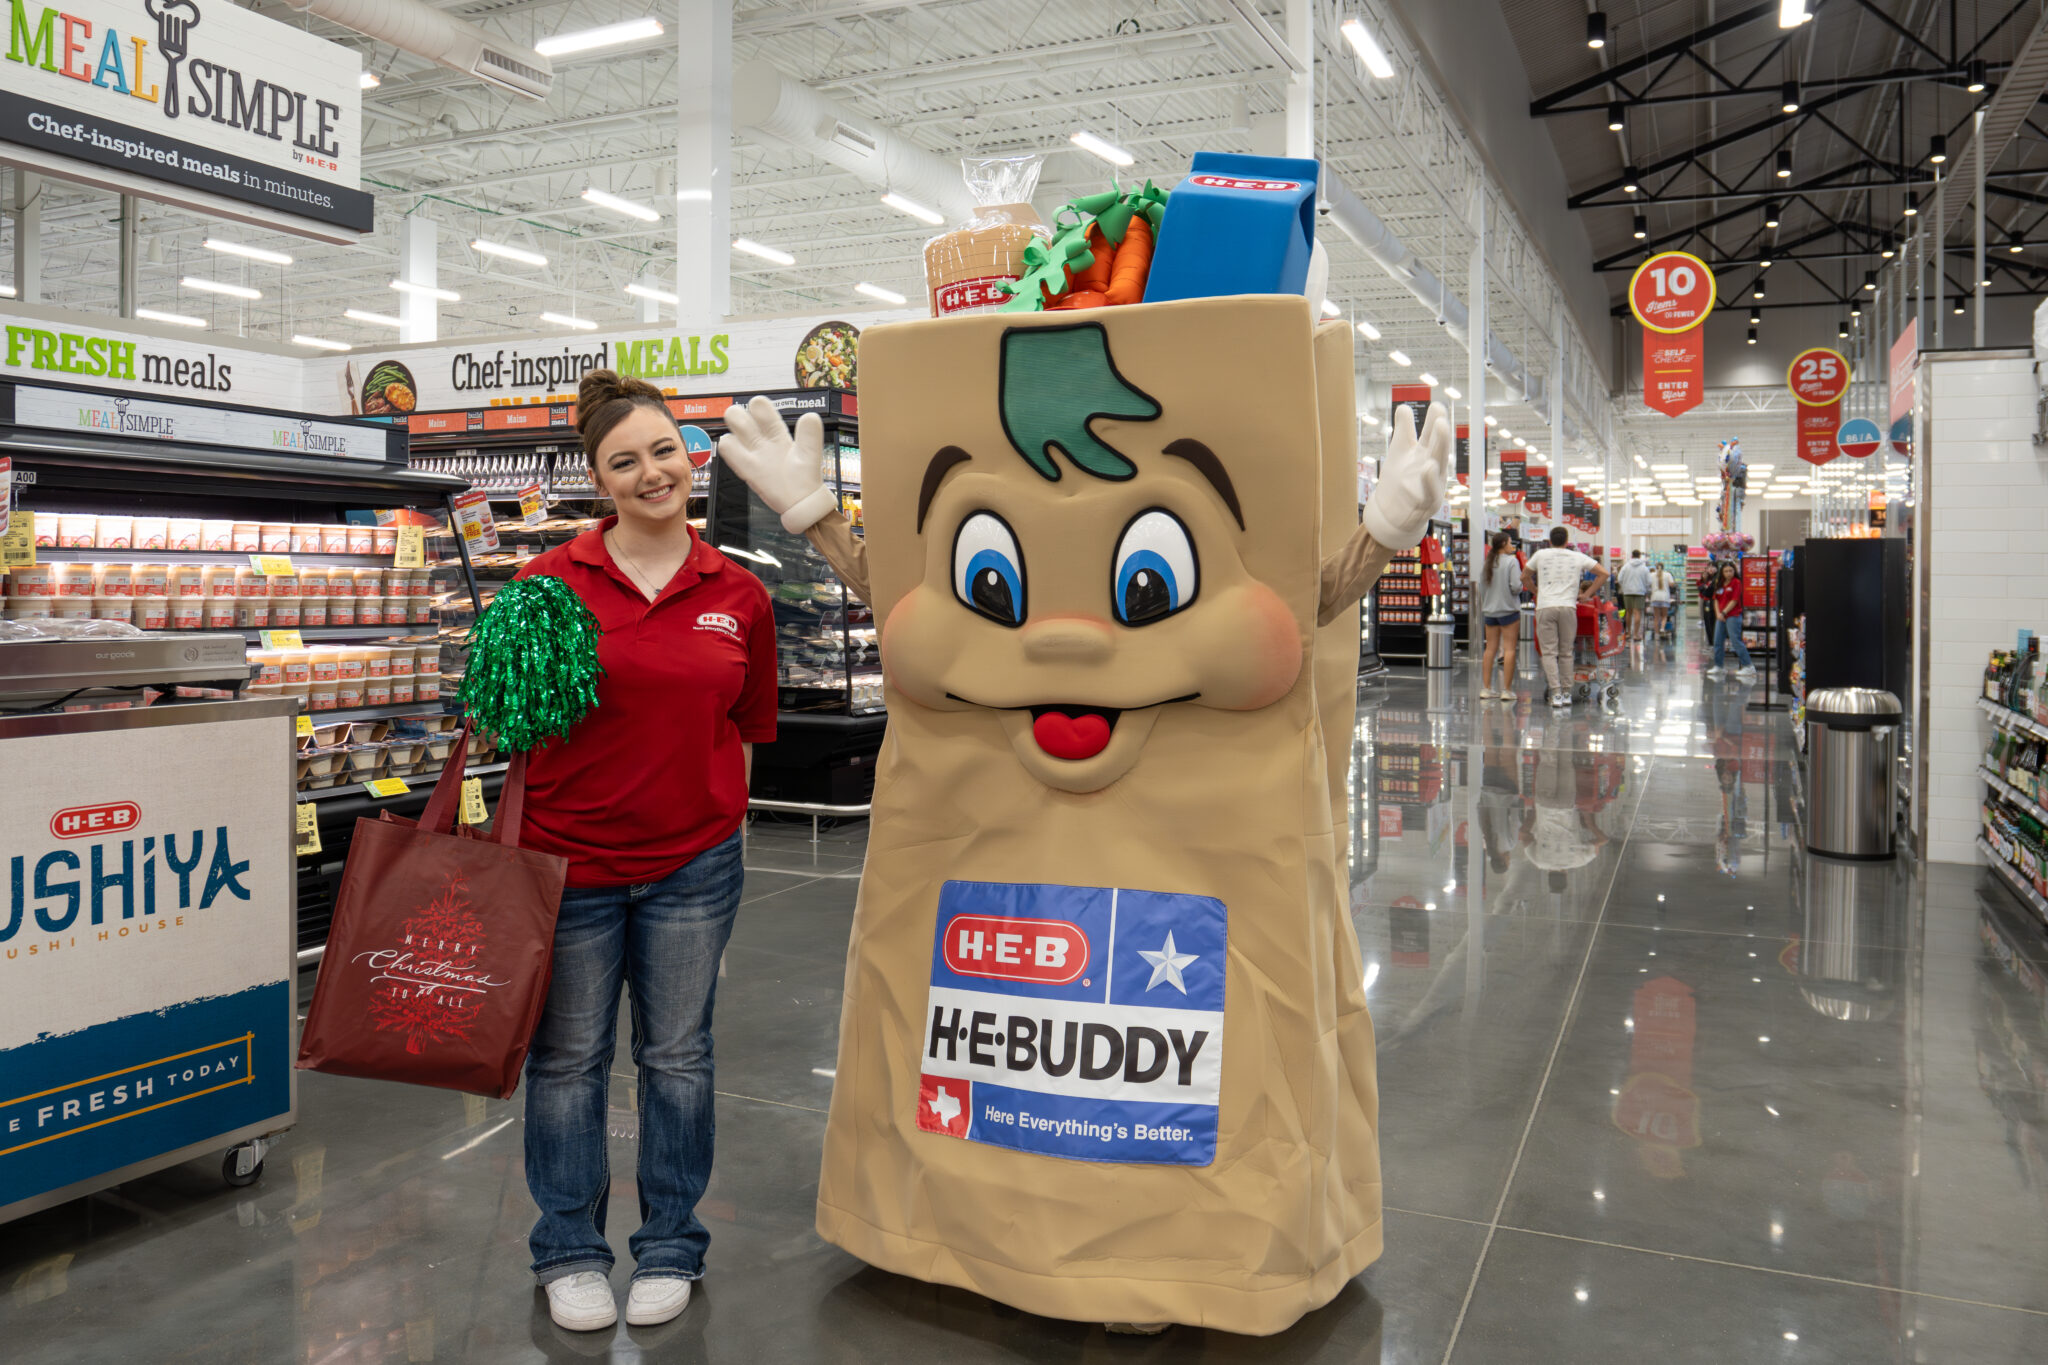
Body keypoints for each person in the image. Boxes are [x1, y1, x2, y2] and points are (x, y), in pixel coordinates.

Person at [513, 370, 779, 1332]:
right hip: (566, 863)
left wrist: (725, 824)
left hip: (693, 868)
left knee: (677, 1058)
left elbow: (746, 727)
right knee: (567, 1061)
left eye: (664, 450)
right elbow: (506, 722)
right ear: (599, 480)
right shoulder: (546, 584)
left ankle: (671, 1243)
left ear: (690, 457)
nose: (651, 472)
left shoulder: (739, 592)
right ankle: (569, 1249)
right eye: (624, 461)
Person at [1523, 526, 1607, 707]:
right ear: (1567, 541)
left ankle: (1556, 694)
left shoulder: (1540, 555)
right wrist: (1587, 594)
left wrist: (1536, 591)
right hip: (1568, 607)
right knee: (1566, 652)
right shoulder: (1577, 556)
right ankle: (1567, 693)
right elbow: (1603, 573)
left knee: (1549, 653)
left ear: (1550, 540)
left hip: (1545, 607)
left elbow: (1524, 576)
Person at [1477, 530, 1524, 701]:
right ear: (1503, 544)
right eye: (1510, 542)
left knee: (1490, 648)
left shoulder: (1487, 563)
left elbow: (1481, 588)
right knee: (1509, 649)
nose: (1512, 546)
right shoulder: (1512, 561)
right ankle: (1506, 690)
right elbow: (1516, 586)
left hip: (1490, 611)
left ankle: (1486, 688)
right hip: (1508, 610)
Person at [1708, 561, 1758, 679]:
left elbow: (1734, 600)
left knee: (1735, 641)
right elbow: (1716, 599)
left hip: (1733, 615)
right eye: (1726, 571)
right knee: (1717, 641)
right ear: (1722, 572)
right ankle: (1719, 666)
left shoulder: (1736, 582)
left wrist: (1723, 612)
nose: (1728, 573)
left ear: (1734, 571)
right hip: (1721, 616)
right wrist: (1718, 614)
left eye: (1731, 571)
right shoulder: (1719, 583)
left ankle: (1748, 666)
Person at [1616, 549, 1652, 640]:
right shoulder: (1644, 568)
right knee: (1637, 612)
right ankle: (1636, 634)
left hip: (1627, 592)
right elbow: (1649, 581)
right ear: (1639, 556)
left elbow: (1619, 579)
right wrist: (1645, 589)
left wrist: (1624, 587)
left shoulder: (1626, 566)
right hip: (1640, 592)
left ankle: (1628, 633)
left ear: (1632, 556)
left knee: (1628, 612)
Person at [1648, 561, 1674, 637]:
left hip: (1655, 597)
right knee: (1664, 616)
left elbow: (1648, 584)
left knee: (1656, 617)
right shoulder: (1668, 574)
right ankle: (1662, 628)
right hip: (1665, 597)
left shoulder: (1652, 575)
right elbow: (1672, 584)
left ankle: (1656, 634)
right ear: (1663, 567)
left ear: (1656, 567)